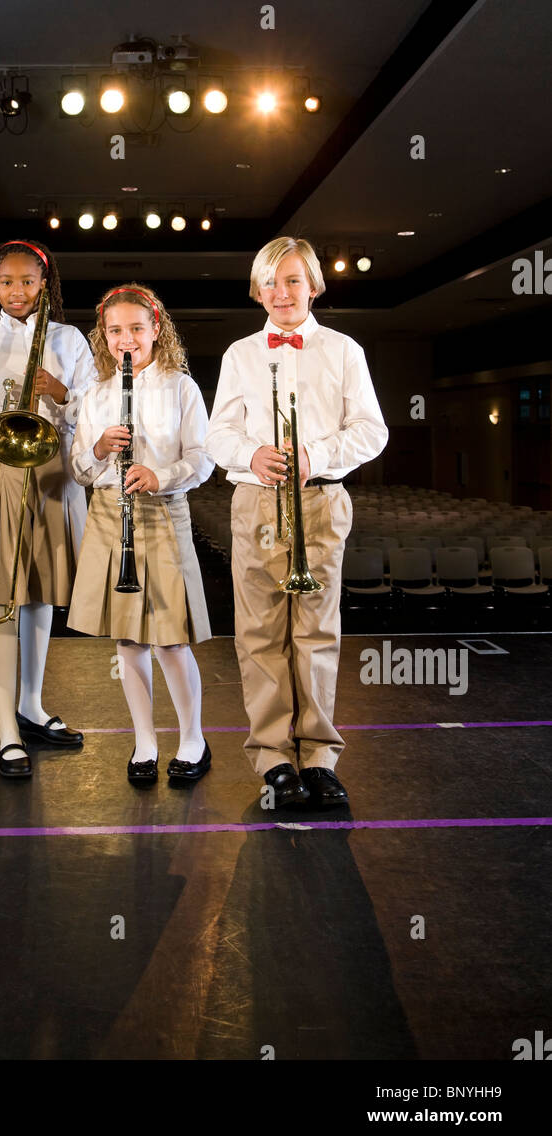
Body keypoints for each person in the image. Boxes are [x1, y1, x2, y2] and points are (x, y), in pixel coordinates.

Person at [206, 237, 388, 808]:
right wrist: (250, 454)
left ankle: (318, 758)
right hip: (257, 501)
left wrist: (319, 456)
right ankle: (273, 760)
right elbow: (217, 434)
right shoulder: (239, 354)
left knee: (316, 633)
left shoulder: (343, 350)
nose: (281, 293)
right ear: (257, 290)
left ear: (314, 285)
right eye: (270, 282)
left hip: (321, 499)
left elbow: (371, 430)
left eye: (292, 281)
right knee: (259, 634)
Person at [0, 240, 97, 778]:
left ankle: (31, 707)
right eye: (7, 282)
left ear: (45, 284)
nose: (18, 291)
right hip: (0, 468)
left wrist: (59, 392)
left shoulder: (69, 338)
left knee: (41, 589)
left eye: (28, 281)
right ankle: (6, 729)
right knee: (0, 592)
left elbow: (91, 407)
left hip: (54, 471)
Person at [68, 285, 214, 785]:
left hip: (163, 511)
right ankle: (145, 741)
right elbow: (80, 471)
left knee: (171, 640)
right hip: (111, 515)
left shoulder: (181, 386)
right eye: (115, 331)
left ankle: (193, 738)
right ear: (103, 336)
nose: (125, 339)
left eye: (136, 328)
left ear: (156, 329)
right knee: (128, 641)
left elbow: (203, 458)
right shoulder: (97, 393)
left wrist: (160, 475)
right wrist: (99, 450)